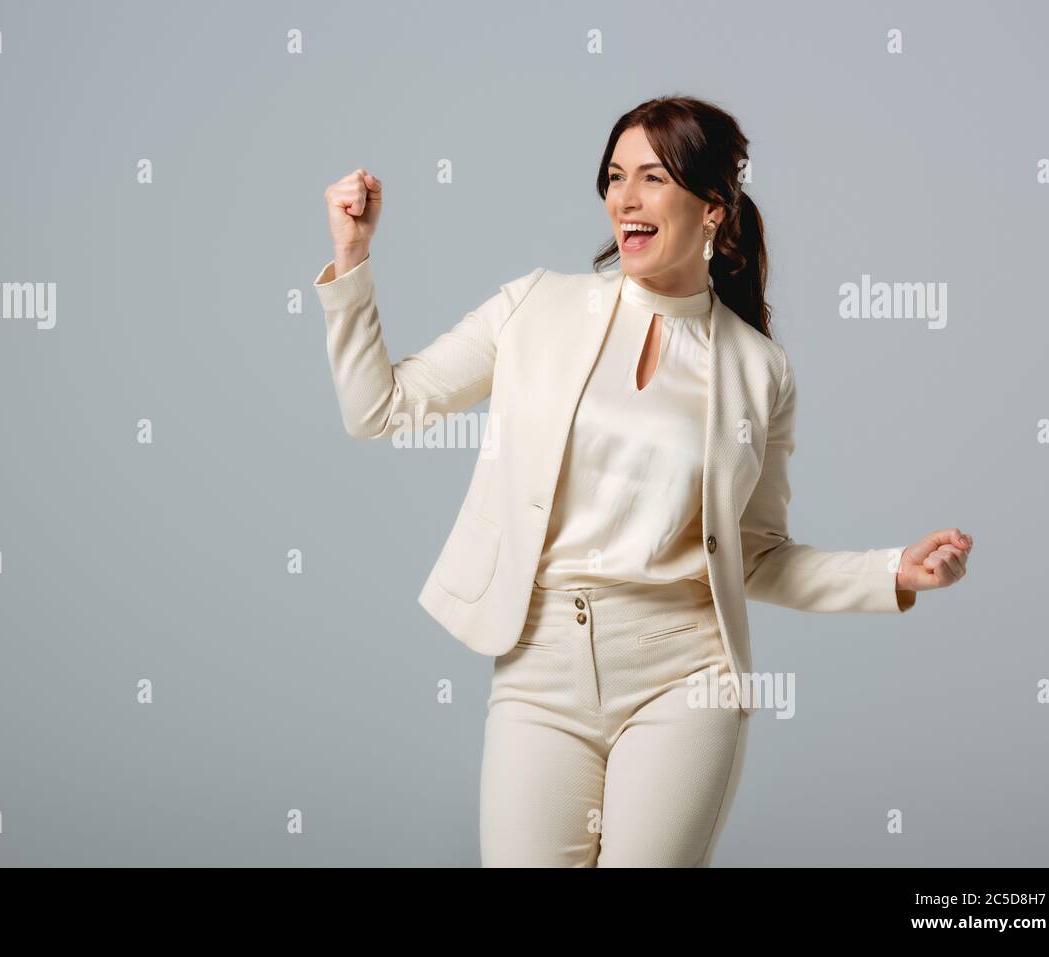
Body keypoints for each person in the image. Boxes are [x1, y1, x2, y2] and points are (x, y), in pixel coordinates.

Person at [312, 95, 972, 867]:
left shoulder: (758, 371)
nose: (625, 197)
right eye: (615, 176)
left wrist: (891, 570)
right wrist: (352, 259)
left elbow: (755, 554)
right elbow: (379, 407)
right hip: (538, 666)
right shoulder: (535, 307)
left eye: (653, 177)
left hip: (684, 677)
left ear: (713, 208)